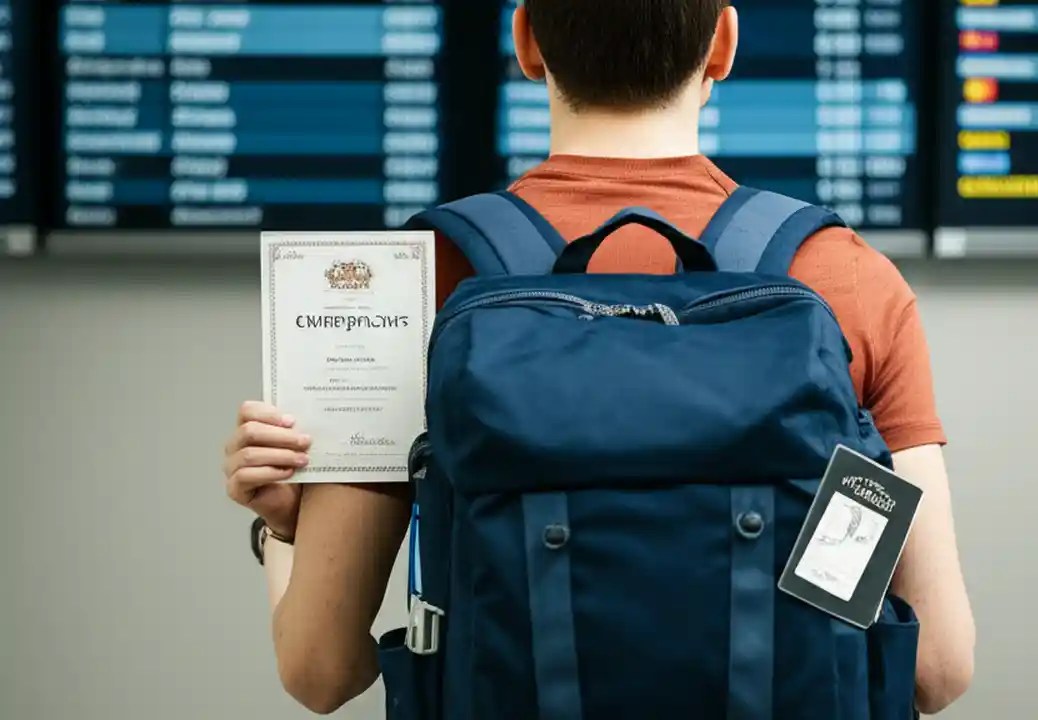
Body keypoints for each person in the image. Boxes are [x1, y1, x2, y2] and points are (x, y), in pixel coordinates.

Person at [223, 1, 976, 714]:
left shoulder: (413, 280)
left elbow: (321, 669)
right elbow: (937, 667)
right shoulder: (848, 280)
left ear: (525, 41)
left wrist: (285, 530)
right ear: (723, 44)